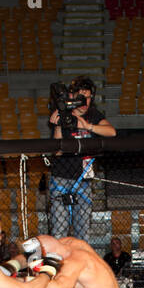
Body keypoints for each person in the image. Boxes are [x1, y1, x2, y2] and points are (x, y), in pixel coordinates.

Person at [48, 76, 116, 242]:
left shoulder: (93, 114)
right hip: (61, 179)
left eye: (88, 97)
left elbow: (112, 132)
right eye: (81, 97)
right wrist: (58, 126)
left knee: (83, 233)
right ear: (72, 97)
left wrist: (88, 126)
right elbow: (56, 152)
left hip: (83, 179)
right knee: (59, 232)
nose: (85, 101)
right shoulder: (63, 113)